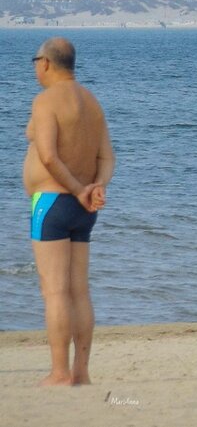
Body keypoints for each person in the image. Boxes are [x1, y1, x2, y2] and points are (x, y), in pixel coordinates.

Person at [24, 37, 115, 386]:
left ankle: (60, 372)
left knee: (55, 291)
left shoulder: (46, 100)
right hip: (83, 209)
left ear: (46, 63)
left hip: (52, 203)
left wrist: (78, 190)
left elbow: (48, 156)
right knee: (79, 290)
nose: (35, 67)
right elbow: (107, 158)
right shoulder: (92, 102)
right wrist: (96, 188)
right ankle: (82, 371)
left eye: (36, 61)